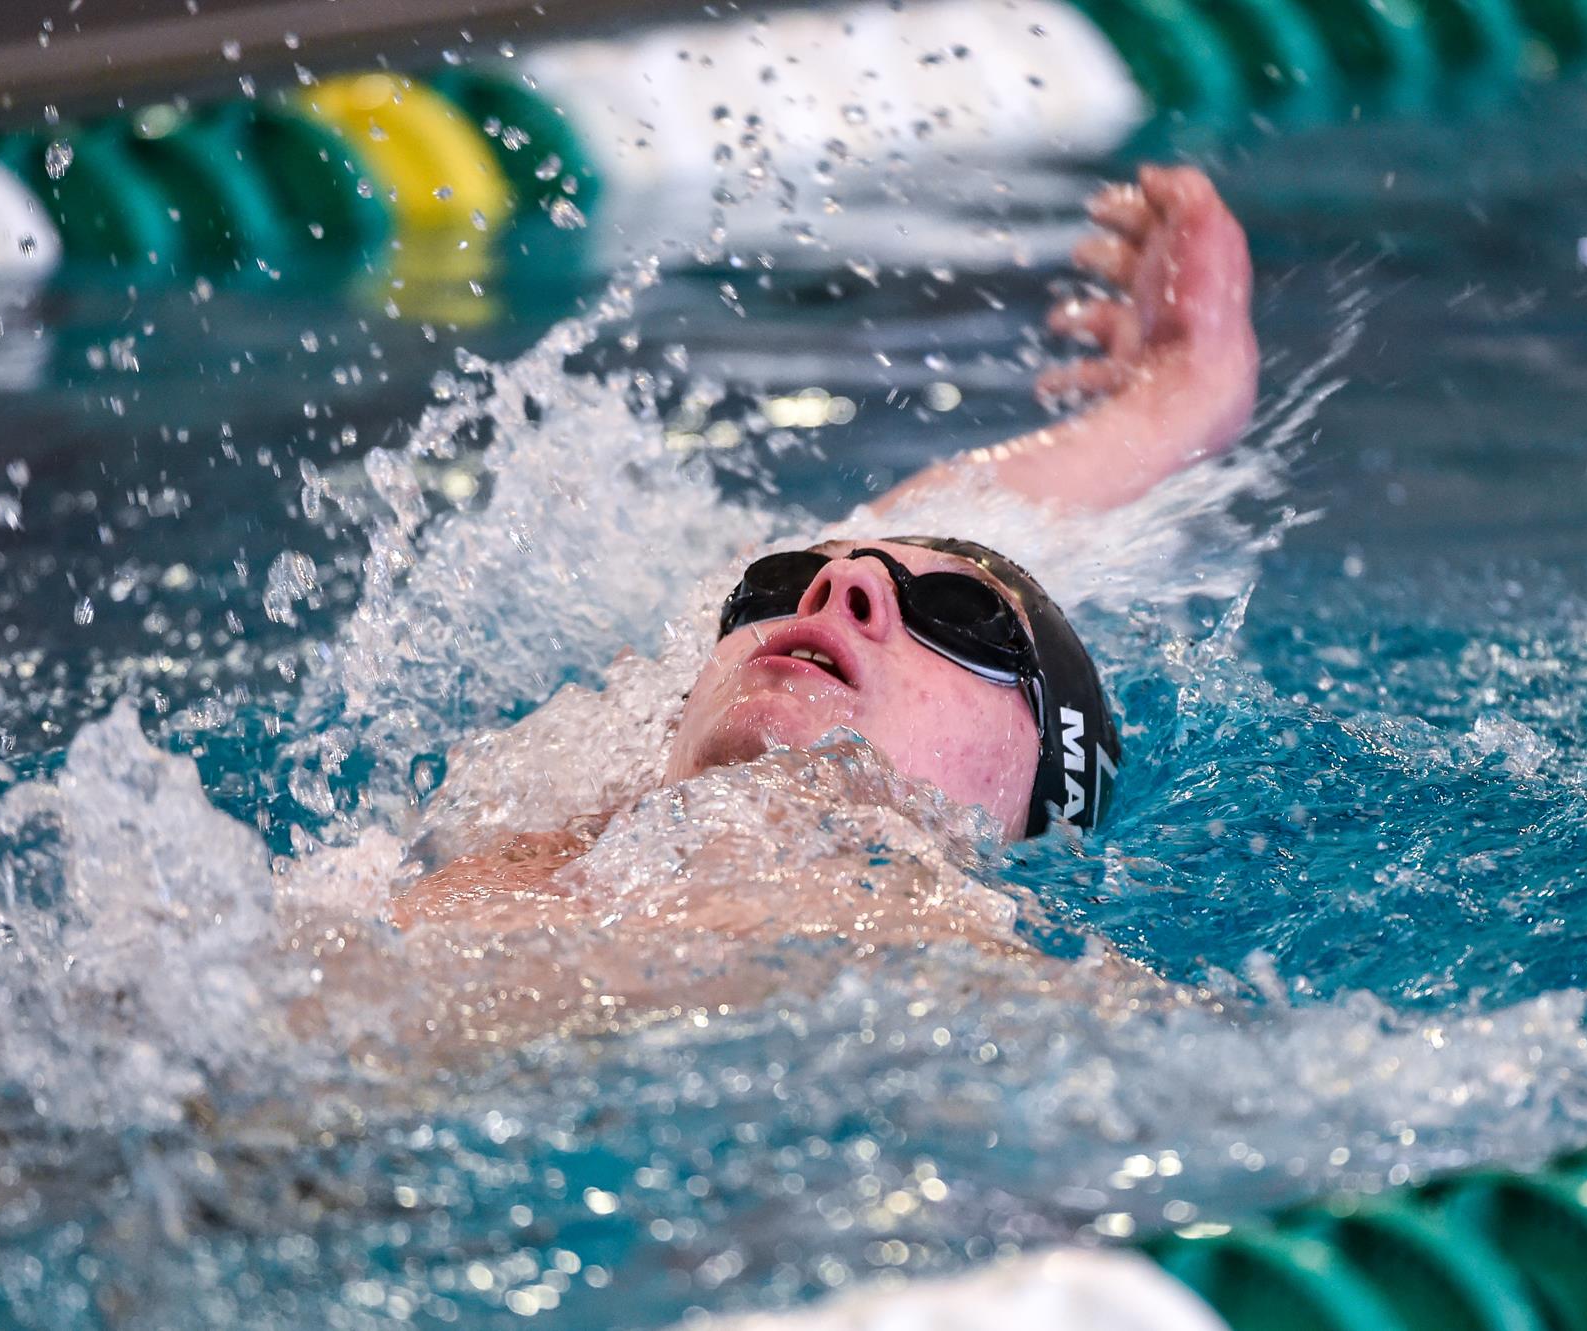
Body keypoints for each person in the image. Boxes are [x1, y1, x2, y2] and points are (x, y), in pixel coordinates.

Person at [388, 164, 1256, 951]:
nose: (840, 584)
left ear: (1035, 804)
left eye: (963, 617)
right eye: (778, 582)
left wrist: (1184, 395)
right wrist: (1176, 398)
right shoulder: (527, 831)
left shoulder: (965, 972)